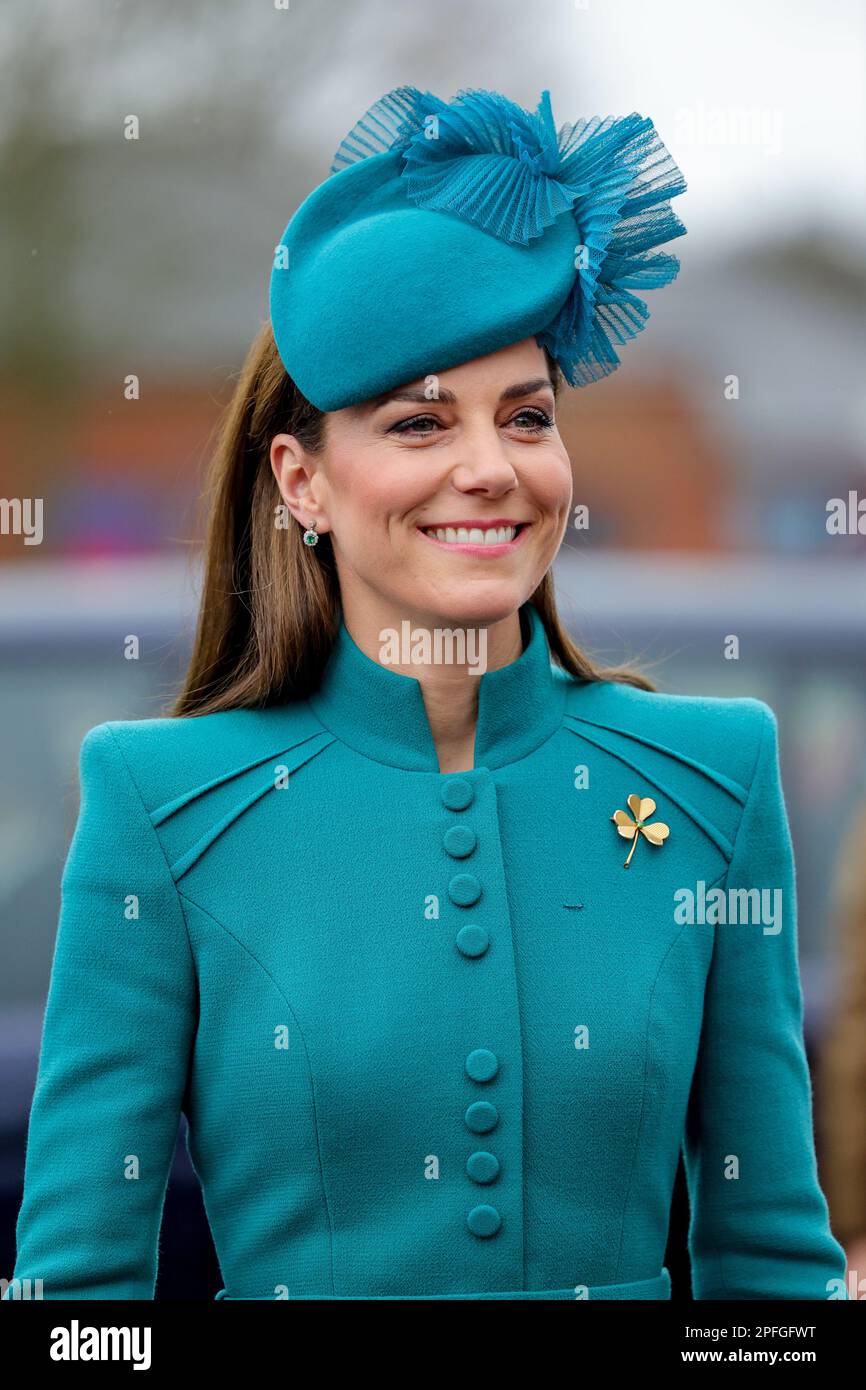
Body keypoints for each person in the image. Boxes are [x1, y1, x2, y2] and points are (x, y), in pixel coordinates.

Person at [3, 85, 849, 1301]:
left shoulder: (715, 779)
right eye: (417, 423)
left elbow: (770, 1272)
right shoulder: (158, 803)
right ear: (302, 480)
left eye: (526, 416)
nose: (489, 469)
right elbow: (77, 1312)